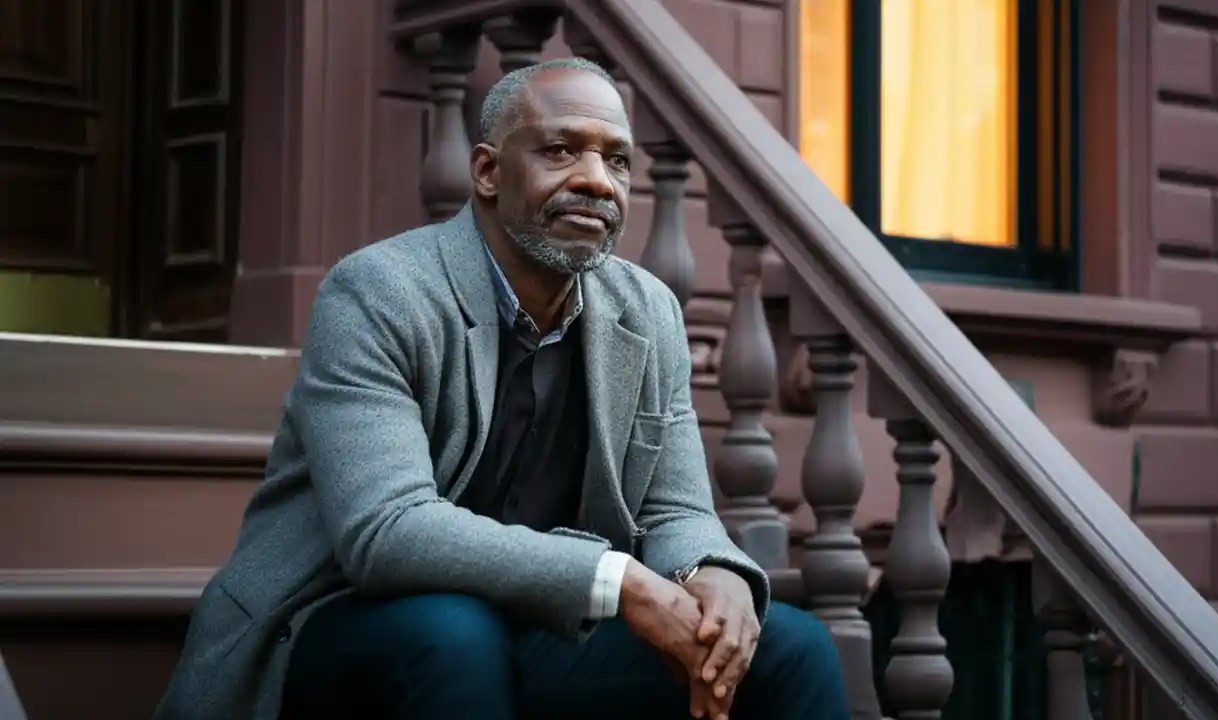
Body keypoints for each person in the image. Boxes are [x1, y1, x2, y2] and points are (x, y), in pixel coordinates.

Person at [155, 58, 850, 720]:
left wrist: (713, 571)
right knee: (454, 634)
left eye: (616, 160)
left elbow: (675, 508)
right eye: (560, 151)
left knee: (792, 648)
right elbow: (386, 532)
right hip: (335, 621)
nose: (596, 181)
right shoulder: (377, 293)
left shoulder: (648, 311)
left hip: (539, 623)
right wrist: (617, 579)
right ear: (488, 171)